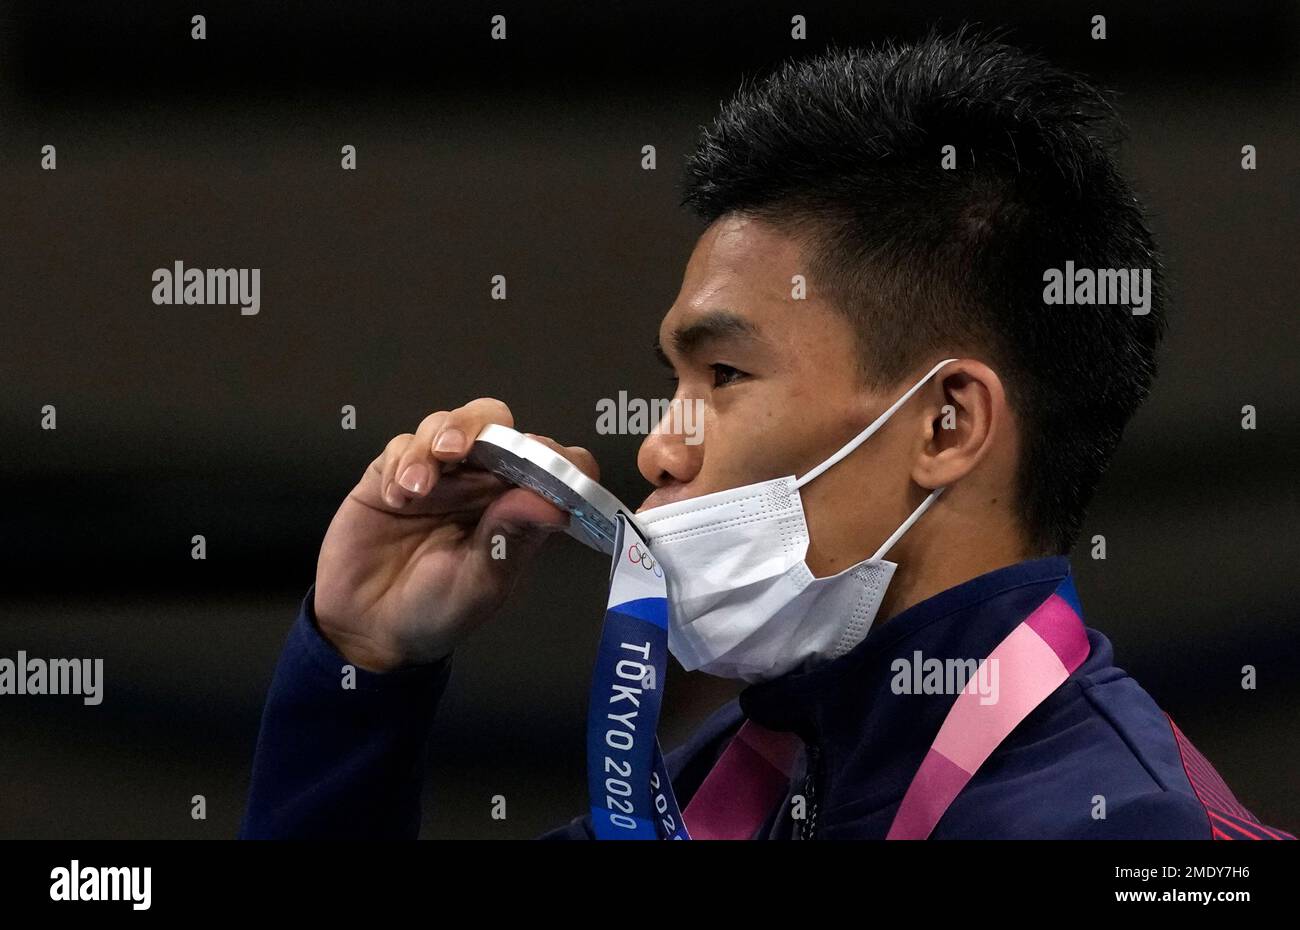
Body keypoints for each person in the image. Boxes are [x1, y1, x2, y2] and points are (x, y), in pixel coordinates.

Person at [239, 29, 1292, 840]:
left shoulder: (1138, 834)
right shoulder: (725, 789)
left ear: (945, 422)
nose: (655, 450)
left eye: (725, 374)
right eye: (674, 381)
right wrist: (359, 670)